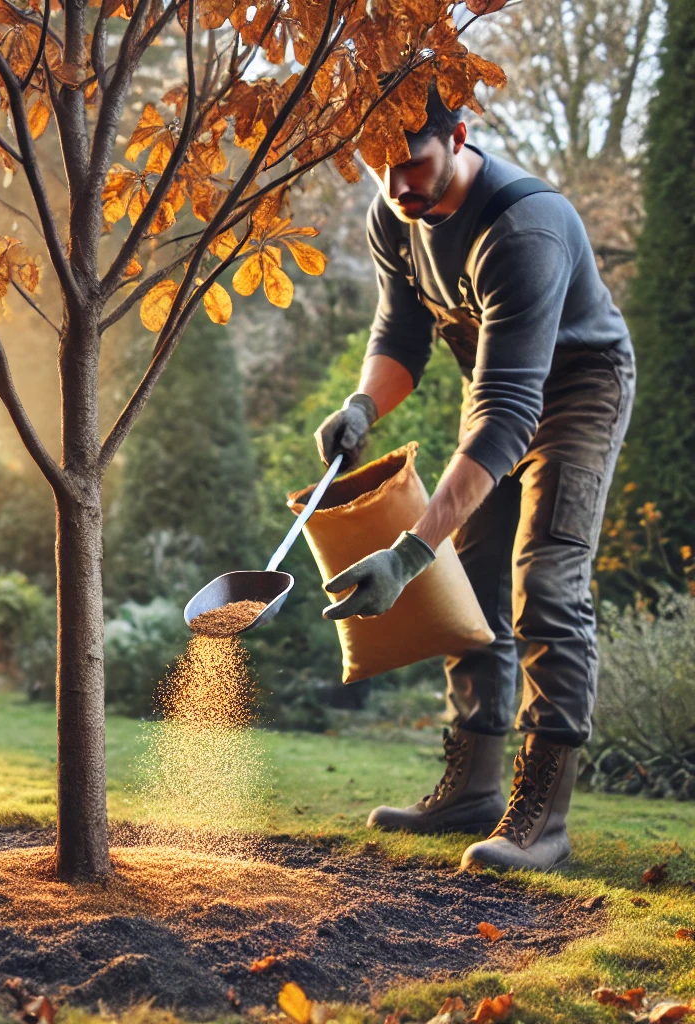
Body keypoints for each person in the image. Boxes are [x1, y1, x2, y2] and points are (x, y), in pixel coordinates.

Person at [314, 84, 635, 872]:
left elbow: (506, 416)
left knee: (545, 585)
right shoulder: (398, 212)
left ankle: (542, 821)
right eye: (379, 169)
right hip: (497, 391)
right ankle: (471, 791)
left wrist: (409, 552)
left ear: (457, 135)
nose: (396, 186)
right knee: (474, 582)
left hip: (576, 393)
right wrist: (363, 405)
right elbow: (402, 332)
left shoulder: (524, 229)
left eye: (412, 164)